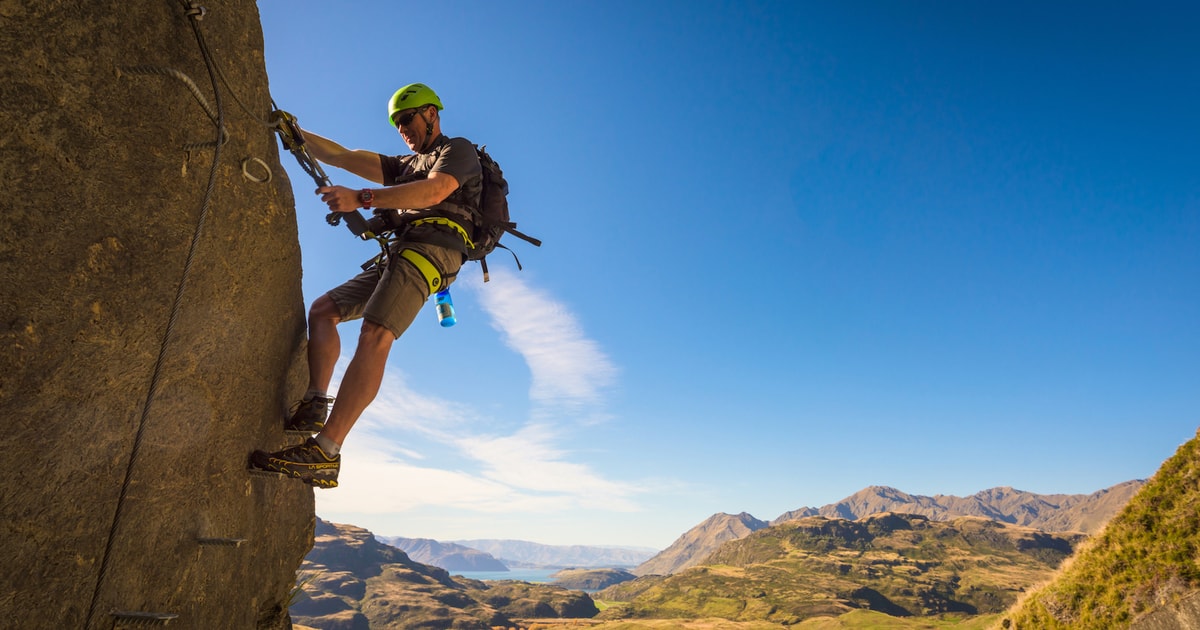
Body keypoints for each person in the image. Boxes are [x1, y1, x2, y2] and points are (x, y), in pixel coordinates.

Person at [251, 83, 482, 488]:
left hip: (434, 249)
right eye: (397, 124)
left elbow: (436, 190)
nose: (402, 129)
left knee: (376, 333)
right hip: (403, 250)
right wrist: (293, 130)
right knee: (324, 311)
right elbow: (341, 156)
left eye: (407, 119)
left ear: (431, 113)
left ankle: (326, 451)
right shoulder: (405, 165)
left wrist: (362, 198)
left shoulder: (456, 150)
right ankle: (315, 402)